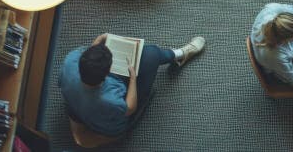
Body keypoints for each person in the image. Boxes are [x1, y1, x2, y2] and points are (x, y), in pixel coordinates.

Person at [59, 33, 205, 137]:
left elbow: (88, 53)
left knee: (145, 55)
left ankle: (177, 55)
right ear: (106, 74)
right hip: (111, 125)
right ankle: (181, 54)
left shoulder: (69, 61)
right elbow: (130, 108)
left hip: (79, 108)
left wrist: (101, 39)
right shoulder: (109, 100)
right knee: (151, 55)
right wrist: (133, 79)